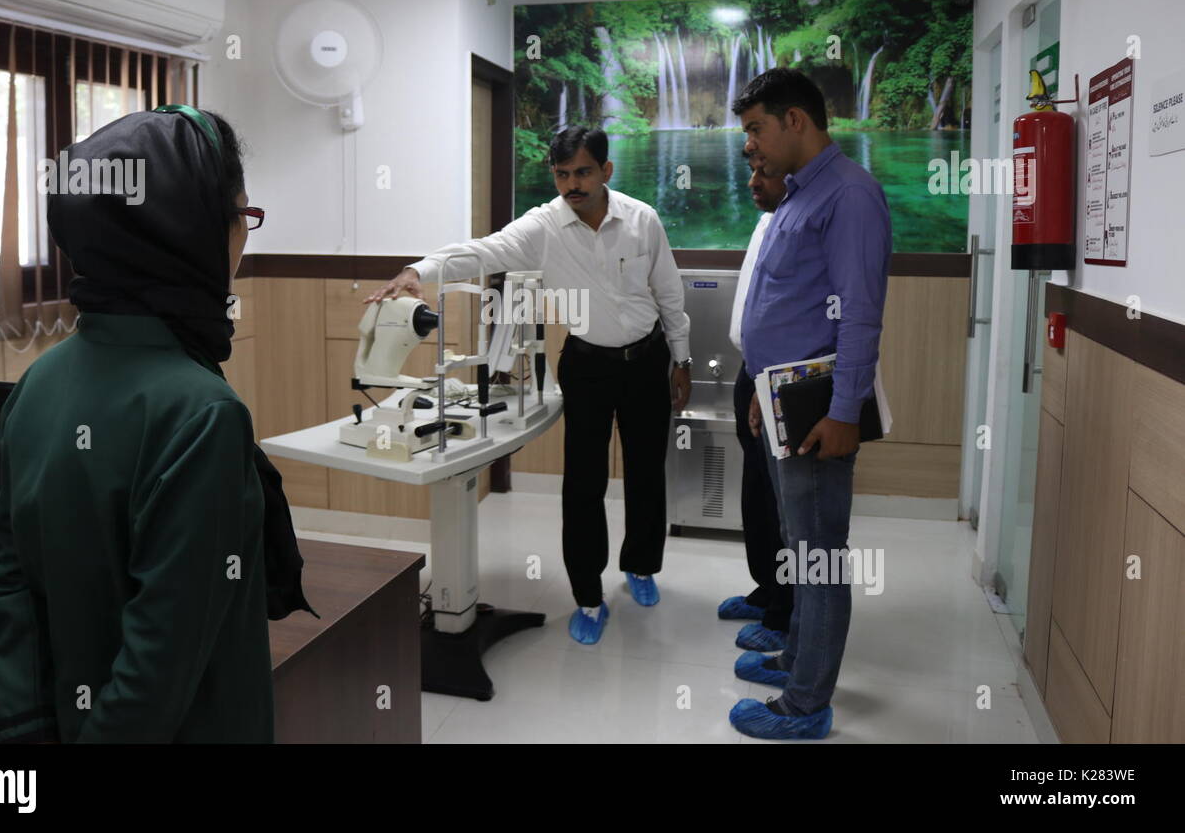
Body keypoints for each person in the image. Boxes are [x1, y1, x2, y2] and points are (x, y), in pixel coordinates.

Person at [0, 105, 314, 743]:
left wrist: (26, 729)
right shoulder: (202, 413)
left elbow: (12, 583)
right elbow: (161, 662)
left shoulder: (37, 384)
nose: (244, 241)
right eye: (242, 218)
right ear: (186, 233)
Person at [364, 125, 691, 645]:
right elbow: (483, 251)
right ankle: (587, 596)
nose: (572, 184)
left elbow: (669, 293)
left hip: (647, 359)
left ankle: (642, 566)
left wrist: (681, 359)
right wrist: (417, 270)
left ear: (606, 171)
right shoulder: (543, 227)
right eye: (562, 174)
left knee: (647, 471)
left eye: (582, 172)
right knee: (583, 483)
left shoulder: (642, 220)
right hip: (587, 365)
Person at [726, 69, 891, 741]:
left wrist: (845, 412)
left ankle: (806, 706)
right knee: (800, 551)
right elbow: (786, 308)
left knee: (819, 557)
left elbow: (859, 317)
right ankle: (796, 656)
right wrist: (764, 394)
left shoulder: (849, 195)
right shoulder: (797, 196)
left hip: (821, 414)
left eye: (757, 129)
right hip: (783, 403)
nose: (752, 147)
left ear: (796, 120)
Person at [717, 154, 792, 655]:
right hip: (751, 369)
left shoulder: (804, 225)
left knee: (783, 502)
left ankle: (785, 617)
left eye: (763, 172)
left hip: (781, 379)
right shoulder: (769, 220)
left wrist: (770, 383)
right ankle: (766, 588)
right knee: (756, 492)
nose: (751, 180)